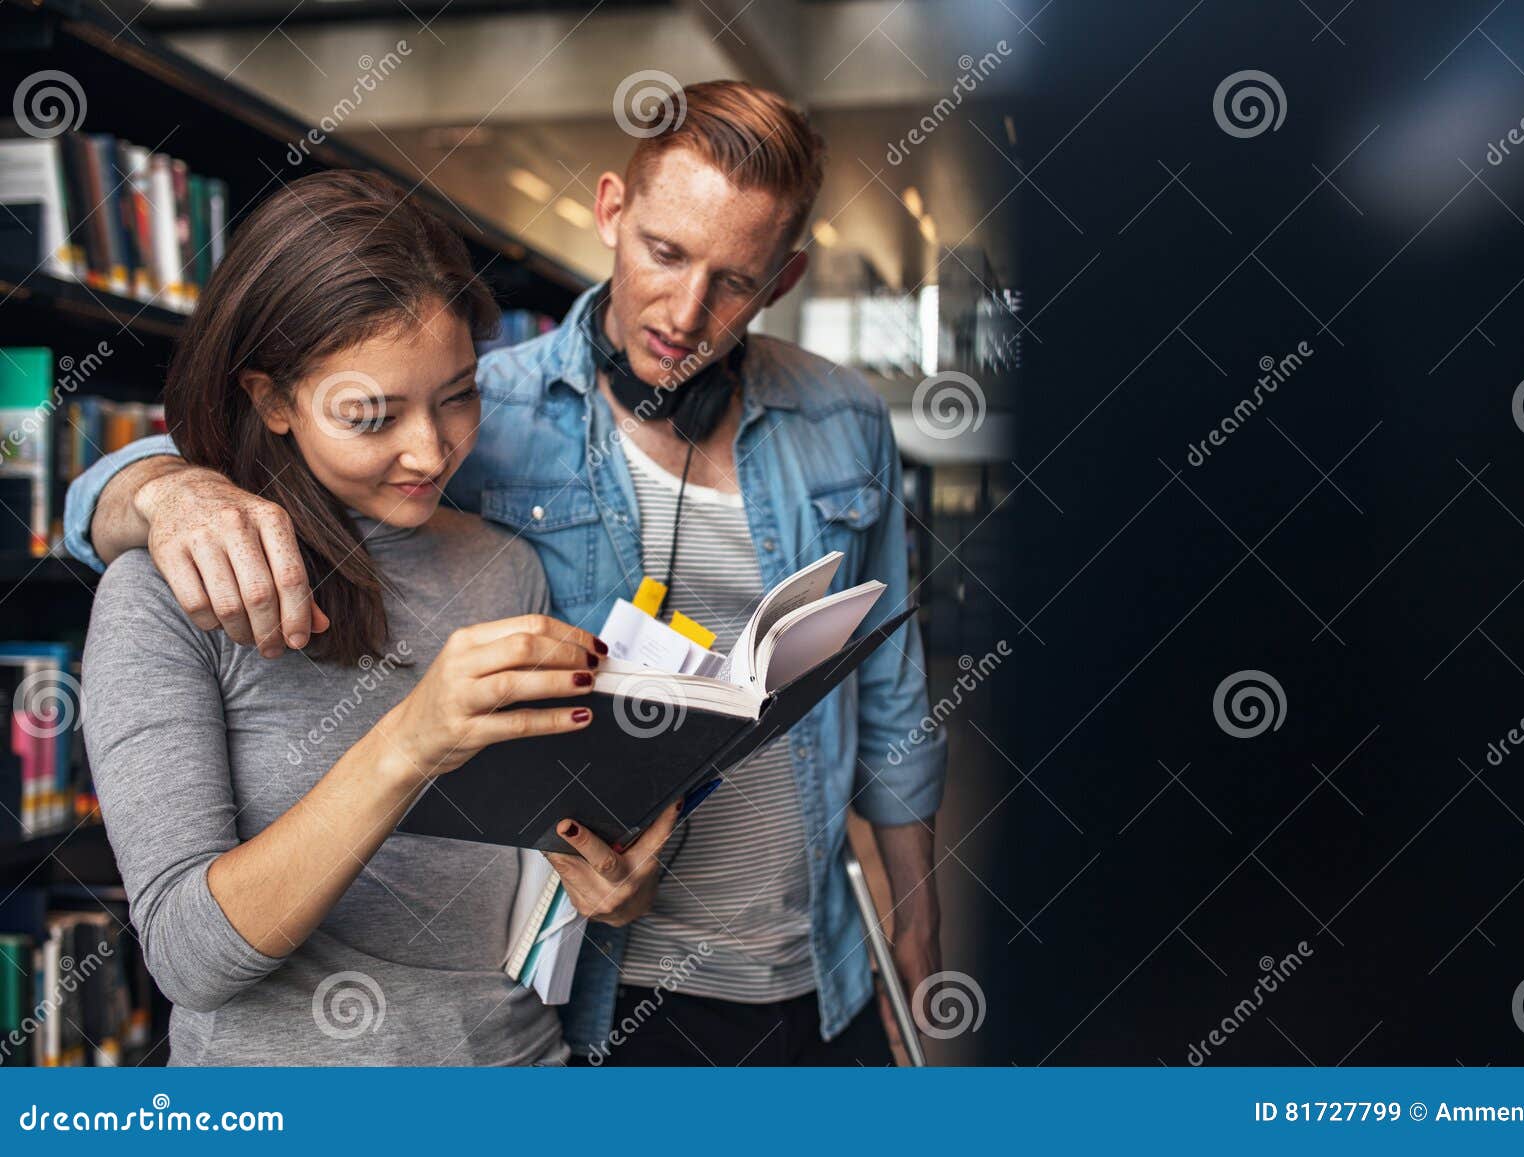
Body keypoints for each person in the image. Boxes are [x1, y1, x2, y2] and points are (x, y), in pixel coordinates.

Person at [66, 81, 947, 1066]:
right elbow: (197, 478)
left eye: (733, 280)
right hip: (607, 1009)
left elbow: (890, 682)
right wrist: (155, 488)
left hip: (750, 971)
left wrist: (909, 906)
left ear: (781, 279)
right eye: (663, 252)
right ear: (610, 209)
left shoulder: (829, 426)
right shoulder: (502, 413)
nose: (429, 450)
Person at [79, 169, 673, 1065]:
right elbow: (189, 958)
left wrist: (605, 880)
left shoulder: (505, 565)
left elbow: (520, 871)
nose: (431, 451)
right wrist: (407, 742)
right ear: (271, 399)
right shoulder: (168, 593)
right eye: (371, 414)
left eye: (459, 394)